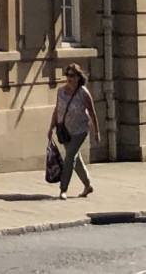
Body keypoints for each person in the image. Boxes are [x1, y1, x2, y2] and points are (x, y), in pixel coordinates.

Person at [48, 63, 100, 200]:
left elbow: (93, 113)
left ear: (78, 77)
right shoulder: (60, 91)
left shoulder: (83, 92)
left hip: (80, 131)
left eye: (72, 75)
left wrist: (96, 132)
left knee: (69, 157)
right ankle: (88, 186)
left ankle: (63, 189)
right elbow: (57, 109)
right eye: (67, 75)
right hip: (64, 130)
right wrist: (51, 127)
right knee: (76, 160)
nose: (69, 78)